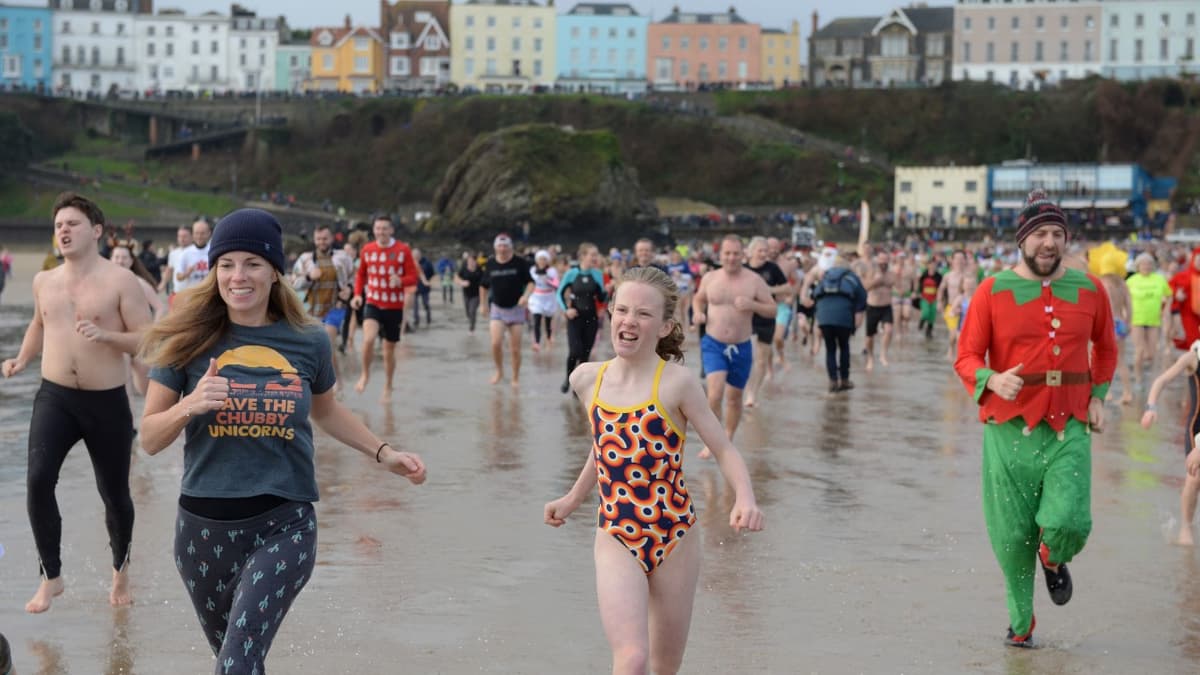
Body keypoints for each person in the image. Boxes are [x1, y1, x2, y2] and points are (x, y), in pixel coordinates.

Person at [138, 208, 427, 673]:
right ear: (214, 271)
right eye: (226, 264)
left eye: (252, 263)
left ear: (275, 271)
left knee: (236, 662)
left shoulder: (308, 340)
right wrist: (190, 404)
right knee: (238, 661)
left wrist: (384, 452)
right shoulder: (184, 338)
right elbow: (149, 438)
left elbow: (326, 410)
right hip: (202, 532)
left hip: (284, 524)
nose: (238, 276)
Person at [544, 265, 764, 675]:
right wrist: (573, 498)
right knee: (632, 659)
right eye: (622, 309)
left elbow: (722, 448)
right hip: (616, 531)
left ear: (664, 327)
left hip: (675, 534)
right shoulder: (587, 379)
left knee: (663, 668)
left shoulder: (677, 383)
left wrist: (745, 497)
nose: (629, 320)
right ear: (611, 313)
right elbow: (606, 446)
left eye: (643, 314)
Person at [953, 190, 1116, 648]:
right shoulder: (992, 290)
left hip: (1071, 424)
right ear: (1022, 240)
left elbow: (1106, 348)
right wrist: (990, 378)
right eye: (1040, 233)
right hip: (1008, 428)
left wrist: (1099, 396)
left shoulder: (1091, 289)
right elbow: (965, 356)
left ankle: (1054, 555)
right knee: (1012, 536)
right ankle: (1021, 627)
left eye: (1057, 234)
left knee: (1070, 520)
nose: (1049, 242)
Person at [1, 192, 152, 613]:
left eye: (72, 224)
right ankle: (51, 577)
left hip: (106, 402)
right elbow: (39, 324)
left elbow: (147, 339)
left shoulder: (121, 281)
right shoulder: (43, 281)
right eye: (58, 226)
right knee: (37, 479)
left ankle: (120, 571)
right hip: (55, 397)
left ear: (96, 231)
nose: (63, 231)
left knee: (115, 494)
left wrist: (108, 337)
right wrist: (21, 359)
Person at [691, 235, 776, 458]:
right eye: (727, 253)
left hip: (741, 345)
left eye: (736, 253)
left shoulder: (754, 280)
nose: (731, 258)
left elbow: (772, 310)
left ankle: (727, 437)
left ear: (743, 255)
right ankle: (713, 440)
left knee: (734, 398)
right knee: (714, 393)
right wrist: (698, 313)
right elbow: (698, 298)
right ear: (720, 255)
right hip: (713, 343)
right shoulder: (710, 278)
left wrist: (753, 304)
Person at [350, 215, 418, 401]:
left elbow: (413, 277)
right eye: (378, 228)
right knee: (368, 338)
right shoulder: (367, 249)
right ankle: (365, 375)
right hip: (373, 302)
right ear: (374, 230)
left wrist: (401, 281)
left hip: (394, 306)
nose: (381, 232)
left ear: (391, 230)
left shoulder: (403, 250)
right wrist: (357, 295)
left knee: (388, 351)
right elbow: (361, 275)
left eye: (385, 228)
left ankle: (388, 385)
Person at [1141, 340, 1200, 546]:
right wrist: (1151, 407)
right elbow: (1161, 380)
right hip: (1196, 430)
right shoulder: (1193, 357)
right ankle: (1185, 527)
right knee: (1194, 477)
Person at [291, 224, 354, 392]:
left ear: (331, 238)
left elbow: (353, 277)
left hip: (336, 307)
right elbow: (293, 283)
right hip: (312, 310)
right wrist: (308, 277)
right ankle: (316, 382)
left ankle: (336, 381)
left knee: (327, 342)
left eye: (325, 238)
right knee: (314, 348)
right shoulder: (305, 259)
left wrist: (349, 289)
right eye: (318, 239)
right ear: (314, 239)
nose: (322, 242)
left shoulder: (342, 257)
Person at [479, 234, 534, 386]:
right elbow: (483, 286)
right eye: (500, 246)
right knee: (495, 343)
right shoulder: (491, 263)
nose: (502, 249)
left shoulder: (519, 262)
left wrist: (526, 296)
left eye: (505, 246)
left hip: (516, 309)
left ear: (510, 247)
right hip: (497, 309)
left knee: (515, 349)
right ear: (495, 247)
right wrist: (483, 305)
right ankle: (499, 371)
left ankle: (515, 377)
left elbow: (531, 283)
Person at [807, 255, 867, 392]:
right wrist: (858, 316)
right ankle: (844, 380)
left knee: (830, 348)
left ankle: (833, 381)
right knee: (844, 347)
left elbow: (815, 295)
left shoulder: (825, 277)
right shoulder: (852, 277)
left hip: (824, 317)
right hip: (844, 317)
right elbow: (862, 298)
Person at [742, 237, 789, 409]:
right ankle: (747, 390)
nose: (763, 254)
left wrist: (770, 289)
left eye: (765, 251)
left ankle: (753, 393)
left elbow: (787, 288)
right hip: (746, 317)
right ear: (751, 251)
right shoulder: (743, 269)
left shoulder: (772, 268)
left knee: (761, 360)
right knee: (747, 357)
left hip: (767, 316)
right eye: (760, 250)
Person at [557, 243, 607, 393]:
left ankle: (577, 388)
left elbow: (601, 297)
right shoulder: (571, 274)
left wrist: (607, 291)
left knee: (585, 355)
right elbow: (559, 293)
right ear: (583, 256)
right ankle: (568, 378)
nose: (595, 257)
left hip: (591, 319)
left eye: (596, 254)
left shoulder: (597, 274)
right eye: (592, 254)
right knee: (574, 352)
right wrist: (567, 310)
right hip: (575, 318)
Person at [1126, 252, 1172, 388]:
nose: (1146, 266)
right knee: (1139, 351)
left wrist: (1166, 309)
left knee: (1151, 354)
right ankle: (1138, 379)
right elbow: (1125, 299)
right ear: (1138, 266)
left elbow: (1169, 295)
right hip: (1136, 319)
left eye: (1149, 264)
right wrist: (1125, 315)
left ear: (1153, 266)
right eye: (1143, 264)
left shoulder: (1159, 279)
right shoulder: (1131, 280)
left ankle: (1148, 374)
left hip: (1154, 320)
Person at [528, 250, 560, 353]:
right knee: (537, 319)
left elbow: (557, 284)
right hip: (536, 297)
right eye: (540, 259)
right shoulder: (532, 270)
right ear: (536, 260)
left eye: (544, 259)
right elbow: (529, 282)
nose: (542, 261)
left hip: (549, 297)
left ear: (547, 260)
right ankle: (537, 342)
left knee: (548, 321)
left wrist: (547, 279)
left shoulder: (552, 271)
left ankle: (549, 338)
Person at [173, 219, 212, 298]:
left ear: (209, 234)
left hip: (210, 295)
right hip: (193, 296)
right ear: (193, 234)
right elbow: (178, 277)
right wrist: (186, 273)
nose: (199, 236)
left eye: (202, 233)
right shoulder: (186, 253)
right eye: (197, 233)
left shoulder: (213, 251)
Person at [159, 225, 193, 302]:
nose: (182, 239)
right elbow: (169, 271)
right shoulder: (173, 253)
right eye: (180, 236)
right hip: (177, 293)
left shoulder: (197, 252)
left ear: (192, 237)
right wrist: (162, 284)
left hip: (193, 294)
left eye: (185, 236)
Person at [456, 253, 484, 332]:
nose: (470, 262)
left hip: (476, 295)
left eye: (472, 261)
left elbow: (484, 282)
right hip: (466, 294)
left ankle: (472, 328)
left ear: (475, 261)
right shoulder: (464, 268)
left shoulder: (479, 270)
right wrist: (461, 282)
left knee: (472, 310)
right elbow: (456, 277)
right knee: (468, 312)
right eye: (469, 261)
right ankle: (471, 320)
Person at [411, 247, 434, 330]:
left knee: (425, 303)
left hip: (425, 287)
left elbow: (432, 273)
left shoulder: (427, 262)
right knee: (415, 305)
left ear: (420, 255)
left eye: (417, 255)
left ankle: (428, 318)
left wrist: (428, 281)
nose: (416, 256)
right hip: (414, 287)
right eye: (414, 255)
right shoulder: (410, 263)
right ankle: (416, 320)